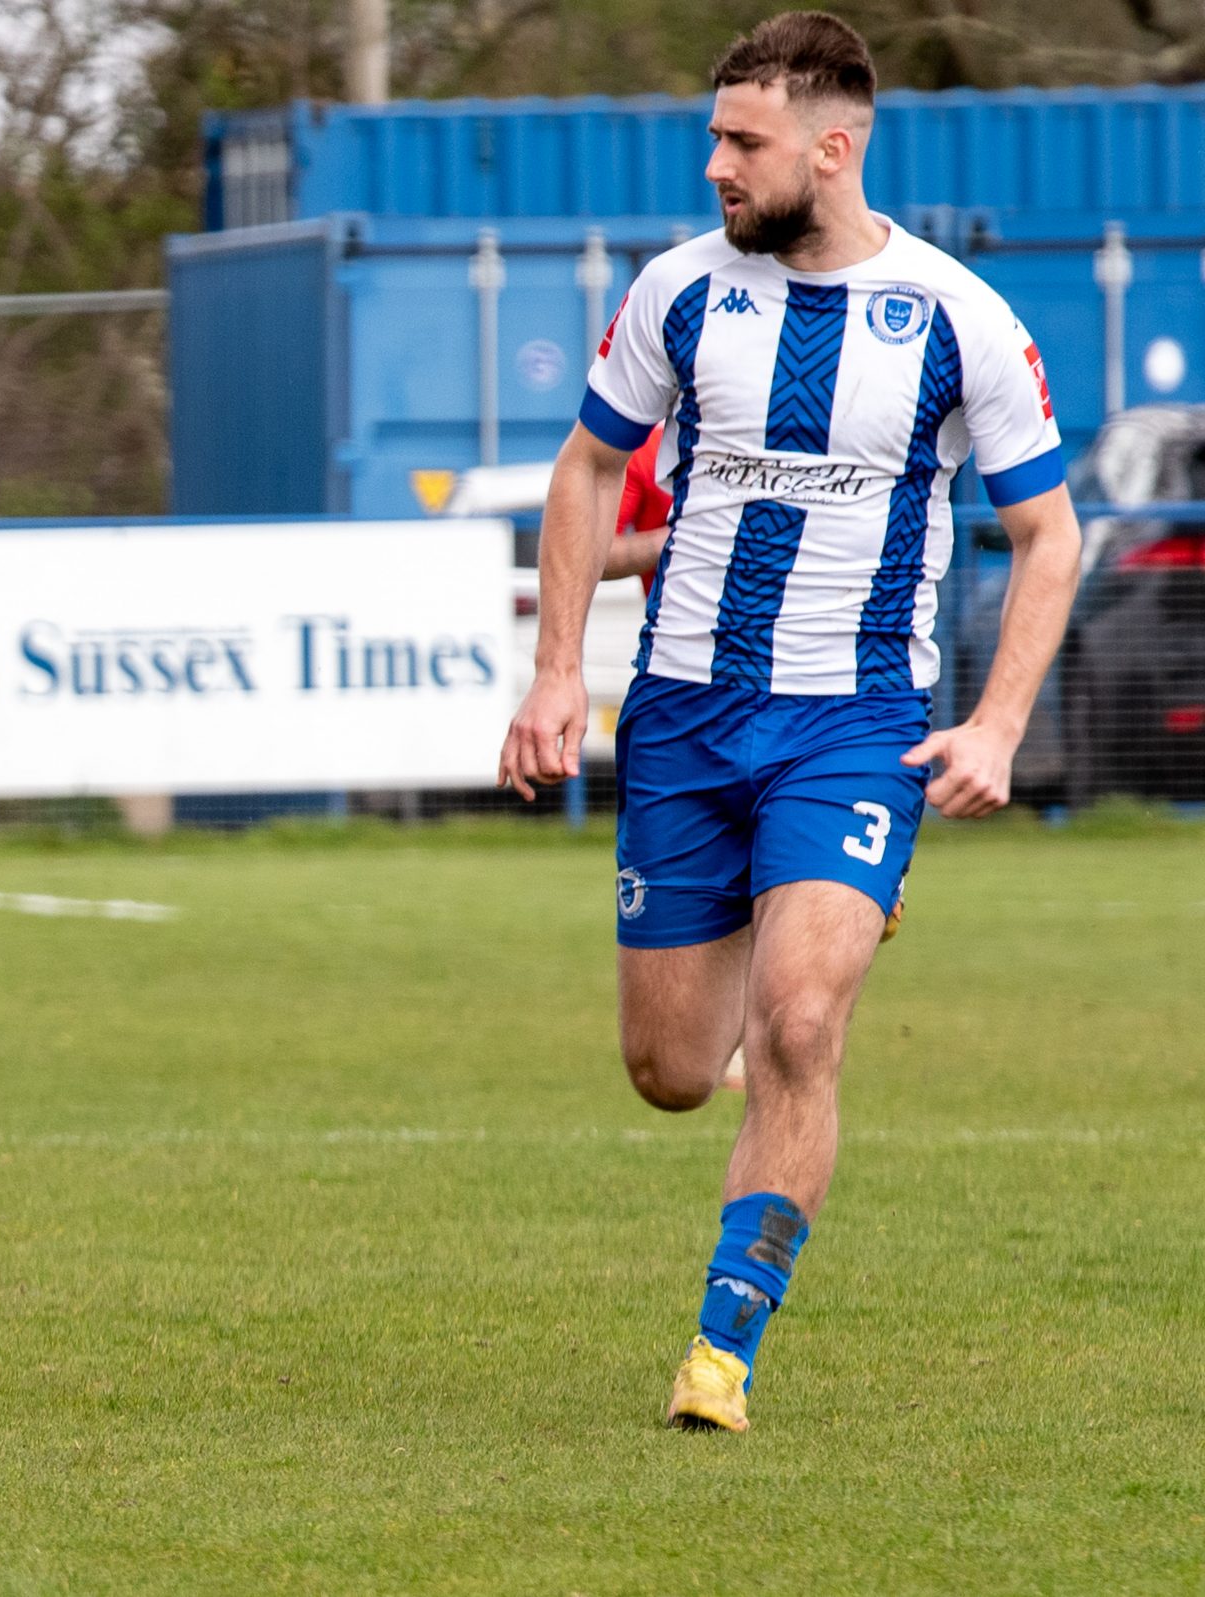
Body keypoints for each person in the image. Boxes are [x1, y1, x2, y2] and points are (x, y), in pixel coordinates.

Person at [496, 12, 1081, 1431]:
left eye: (741, 141)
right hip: (689, 716)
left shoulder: (958, 316)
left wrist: (997, 725)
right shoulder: (679, 295)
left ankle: (722, 1351)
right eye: (713, 136)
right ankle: (786, 945)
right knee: (673, 1071)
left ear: (833, 147)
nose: (714, 166)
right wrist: (560, 670)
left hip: (854, 723)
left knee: (804, 1024)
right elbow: (585, 474)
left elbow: (1048, 534)